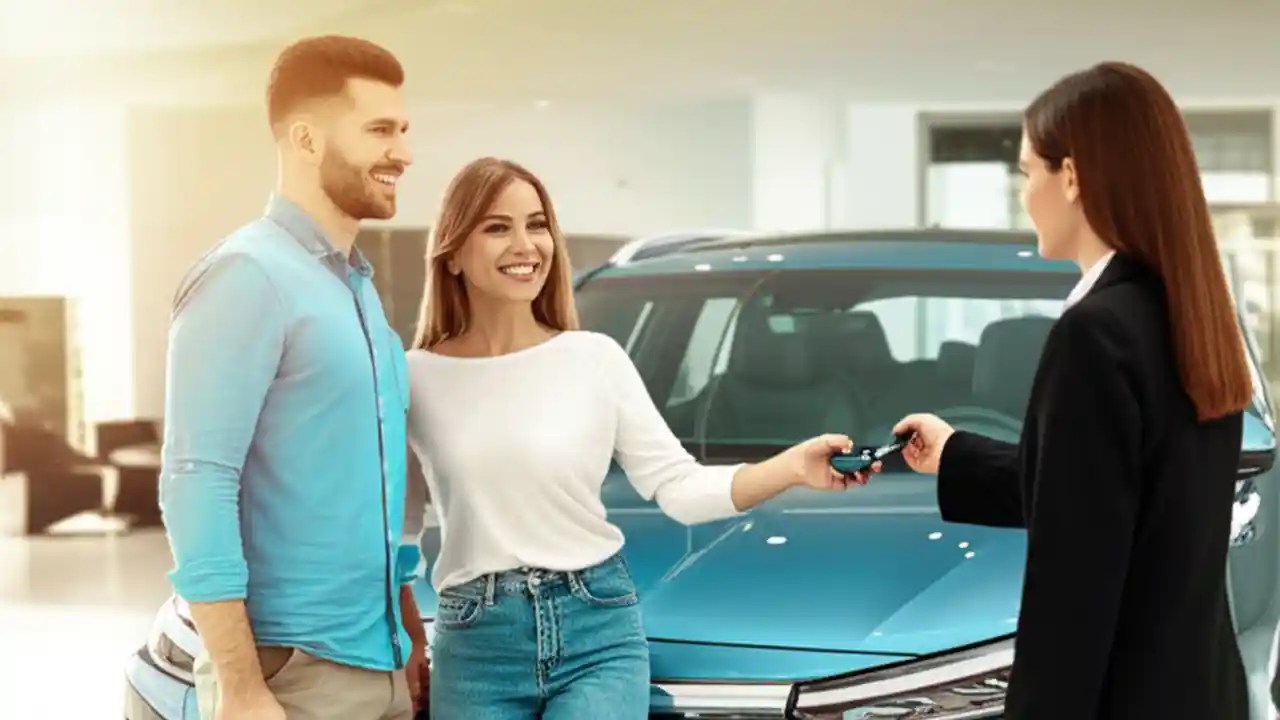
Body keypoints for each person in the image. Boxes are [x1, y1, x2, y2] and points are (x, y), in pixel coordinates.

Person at [404, 157, 875, 719]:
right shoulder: (414, 376)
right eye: (497, 227)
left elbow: (678, 487)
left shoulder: (593, 359)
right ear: (453, 253)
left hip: (594, 630)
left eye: (536, 224)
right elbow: (396, 531)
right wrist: (408, 635)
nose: (526, 244)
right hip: (475, 644)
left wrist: (794, 467)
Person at [889, 61, 1252, 720]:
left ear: (1073, 176)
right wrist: (956, 453)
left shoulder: (1095, 333)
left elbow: (1074, 592)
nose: (1024, 193)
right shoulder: (1185, 312)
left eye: (1028, 172)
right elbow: (1104, 494)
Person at [159, 35, 428, 720]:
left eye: (402, 130)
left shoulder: (356, 290)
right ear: (305, 138)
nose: (403, 153)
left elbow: (366, 486)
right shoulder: (247, 274)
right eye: (379, 130)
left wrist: (409, 631)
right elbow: (196, 478)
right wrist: (242, 688)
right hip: (293, 679)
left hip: (382, 667)